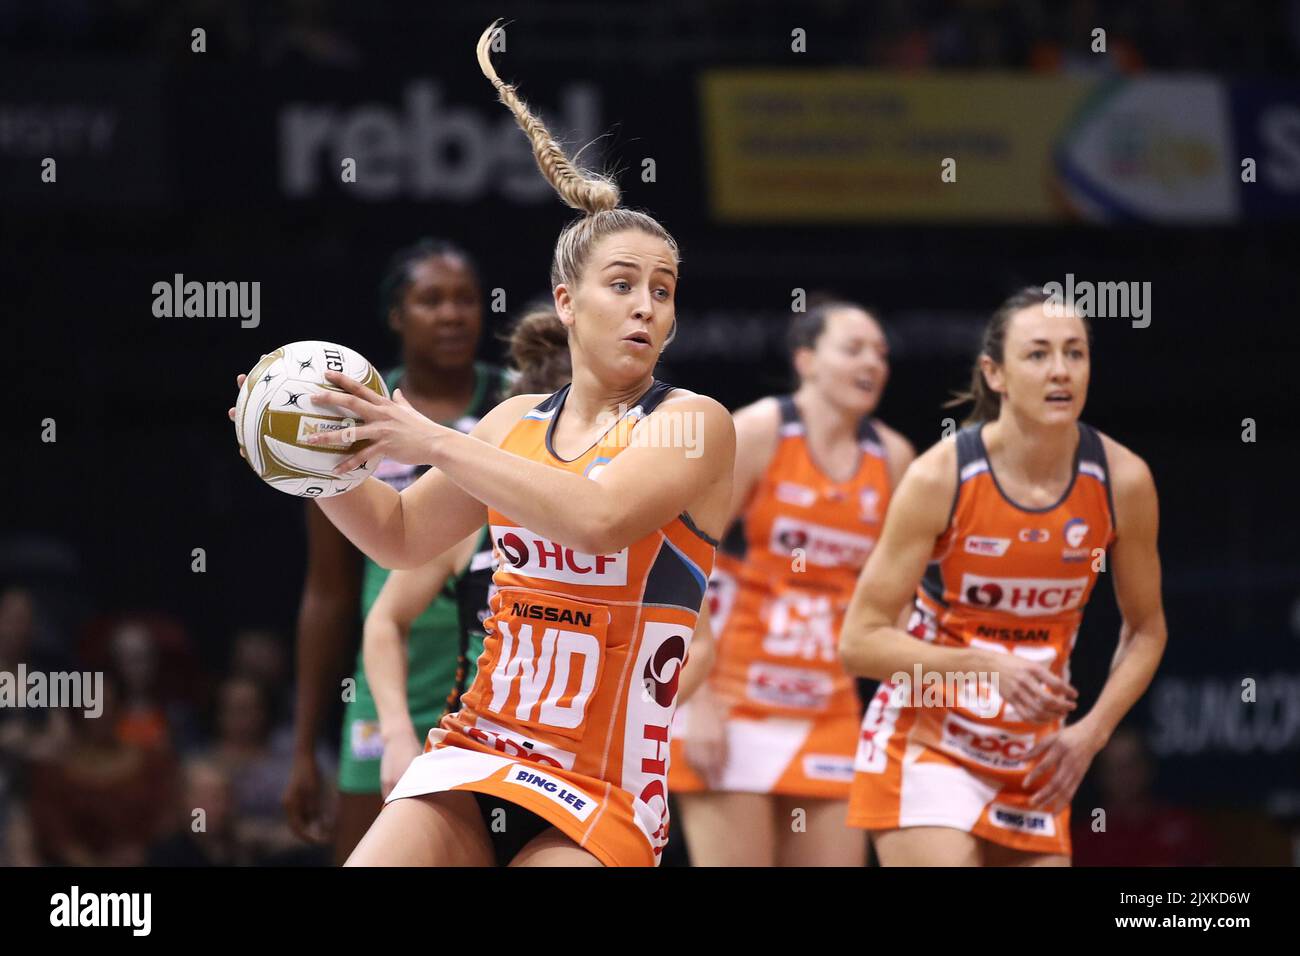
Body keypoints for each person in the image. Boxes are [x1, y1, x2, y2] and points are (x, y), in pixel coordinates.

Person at [230, 19, 733, 867]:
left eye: (664, 289)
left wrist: (427, 435)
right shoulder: (511, 424)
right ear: (567, 302)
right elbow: (397, 536)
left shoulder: (693, 423)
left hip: (601, 783)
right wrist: (310, 461)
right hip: (479, 746)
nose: (648, 305)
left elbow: (602, 517)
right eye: (624, 284)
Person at [839, 286, 1167, 865]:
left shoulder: (1124, 479)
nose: (1060, 371)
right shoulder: (942, 475)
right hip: (927, 740)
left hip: (1034, 758)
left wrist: (1090, 734)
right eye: (1038, 354)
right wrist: (986, 665)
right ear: (996, 373)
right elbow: (859, 642)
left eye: (1075, 353)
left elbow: (1146, 630)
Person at [282, 236, 512, 864]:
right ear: (395, 316)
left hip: (494, 665)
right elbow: (328, 591)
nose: (452, 314)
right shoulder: (350, 415)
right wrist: (305, 746)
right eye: (430, 300)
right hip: (391, 661)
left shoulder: (518, 405)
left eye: (465, 299)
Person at [668, 300, 914, 866]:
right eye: (853, 349)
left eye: (880, 353)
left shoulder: (894, 457)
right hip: (731, 700)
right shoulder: (759, 431)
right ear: (806, 359)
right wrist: (696, 701)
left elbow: (896, 602)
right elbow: (683, 556)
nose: (872, 363)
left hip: (829, 707)